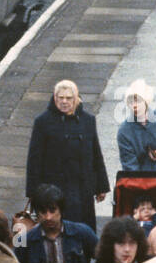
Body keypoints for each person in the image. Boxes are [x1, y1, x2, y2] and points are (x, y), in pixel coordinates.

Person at [24, 80, 109, 231]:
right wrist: (33, 192)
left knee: (83, 229)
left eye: (68, 98)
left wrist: (101, 186)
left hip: (82, 187)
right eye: (60, 97)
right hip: (54, 188)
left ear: (76, 98)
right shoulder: (43, 122)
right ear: (54, 98)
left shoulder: (88, 120)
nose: (64, 101)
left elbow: (96, 153)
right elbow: (34, 159)